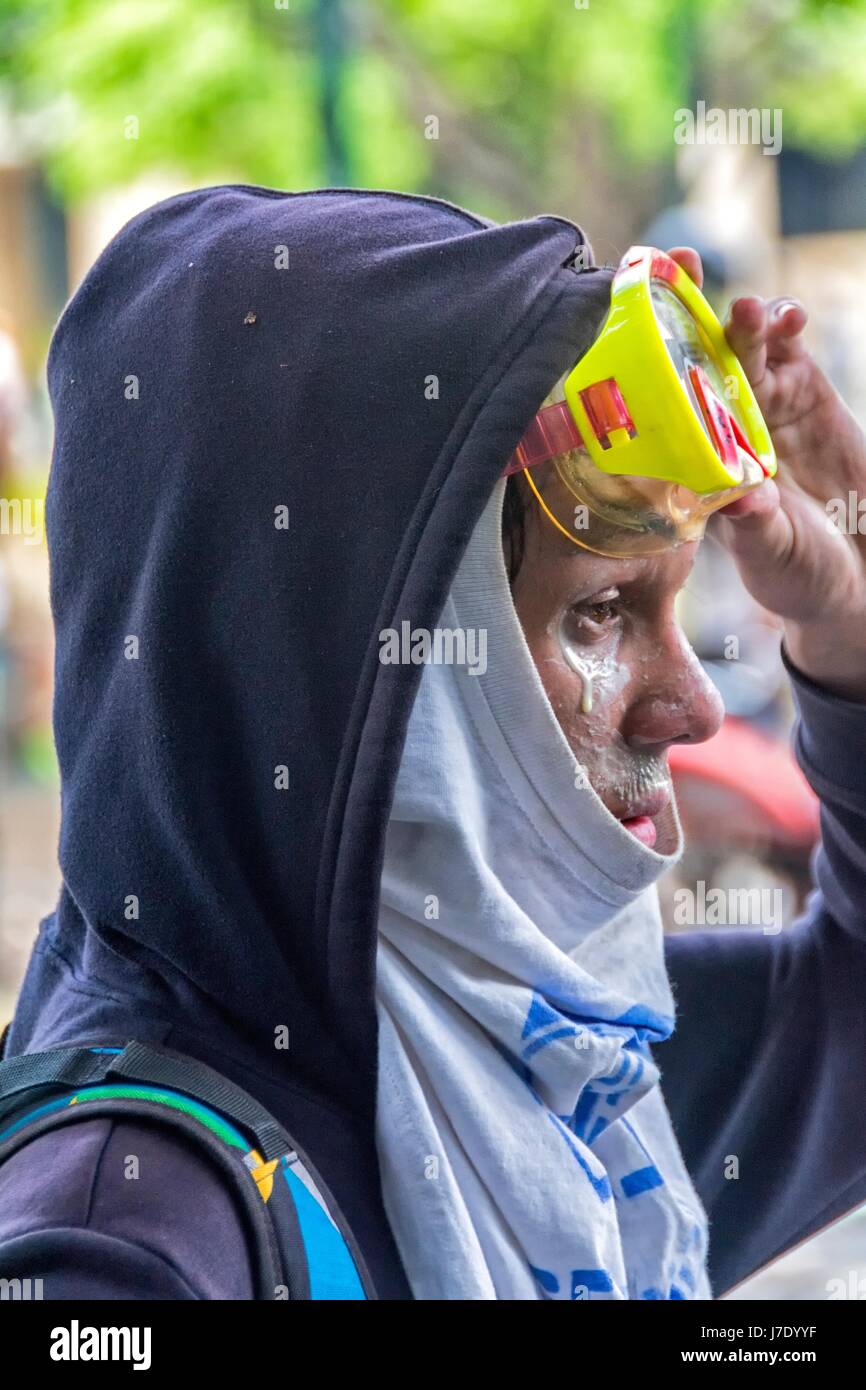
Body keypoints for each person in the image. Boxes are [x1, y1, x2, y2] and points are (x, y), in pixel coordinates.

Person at [0, 186, 865, 1300]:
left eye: (671, 608)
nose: (690, 708)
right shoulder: (131, 1243)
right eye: (598, 613)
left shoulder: (555, 1062)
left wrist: (840, 607)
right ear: (352, 664)